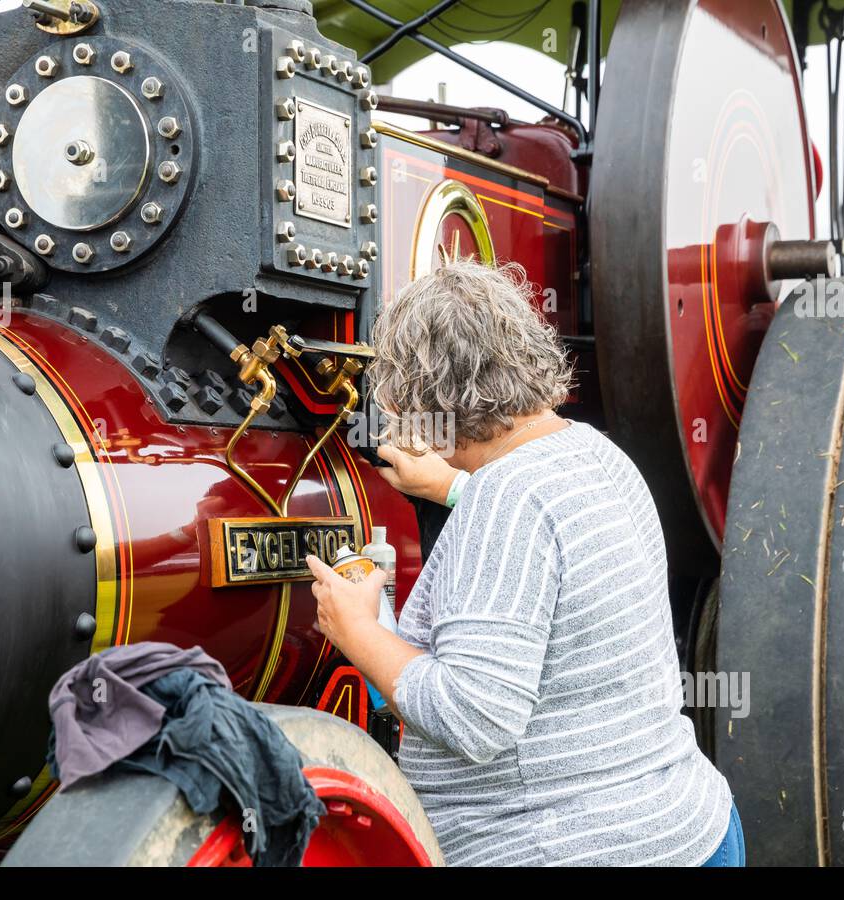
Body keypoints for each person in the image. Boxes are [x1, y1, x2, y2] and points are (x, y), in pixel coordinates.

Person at [305, 259, 742, 866]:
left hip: (574, 850)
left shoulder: (506, 499)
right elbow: (553, 547)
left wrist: (358, 631)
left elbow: (473, 718)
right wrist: (451, 488)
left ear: (432, 401)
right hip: (689, 828)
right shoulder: (595, 452)